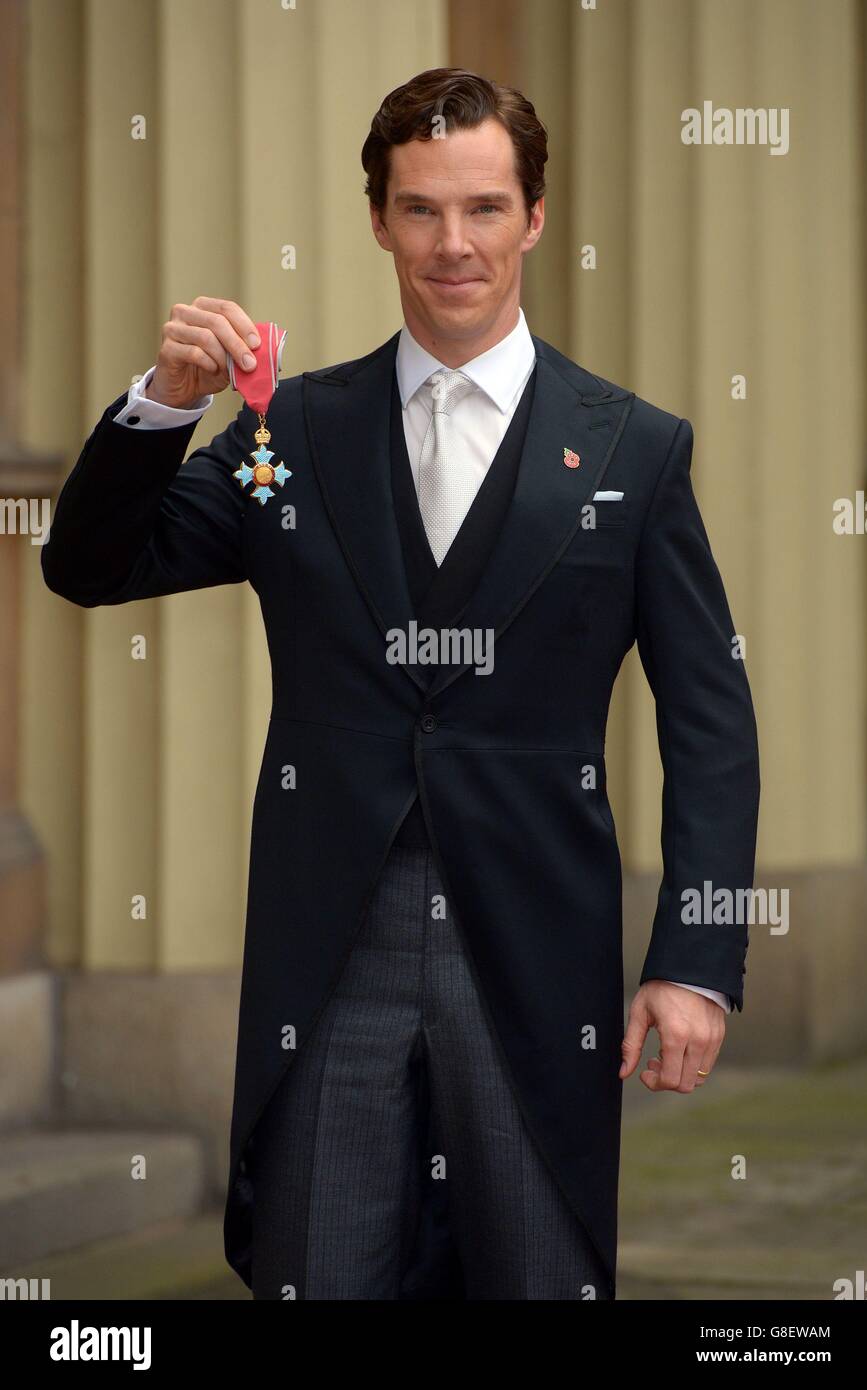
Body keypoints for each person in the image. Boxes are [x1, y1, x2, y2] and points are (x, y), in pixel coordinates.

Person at [41, 67, 760, 1300]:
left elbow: (709, 719)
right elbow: (91, 566)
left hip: (533, 952)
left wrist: (694, 957)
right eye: (420, 209)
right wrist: (166, 405)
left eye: (483, 209)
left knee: (536, 1274)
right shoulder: (289, 436)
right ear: (376, 218)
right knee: (319, 1269)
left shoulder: (635, 451)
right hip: (333, 955)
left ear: (534, 217)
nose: (452, 244)